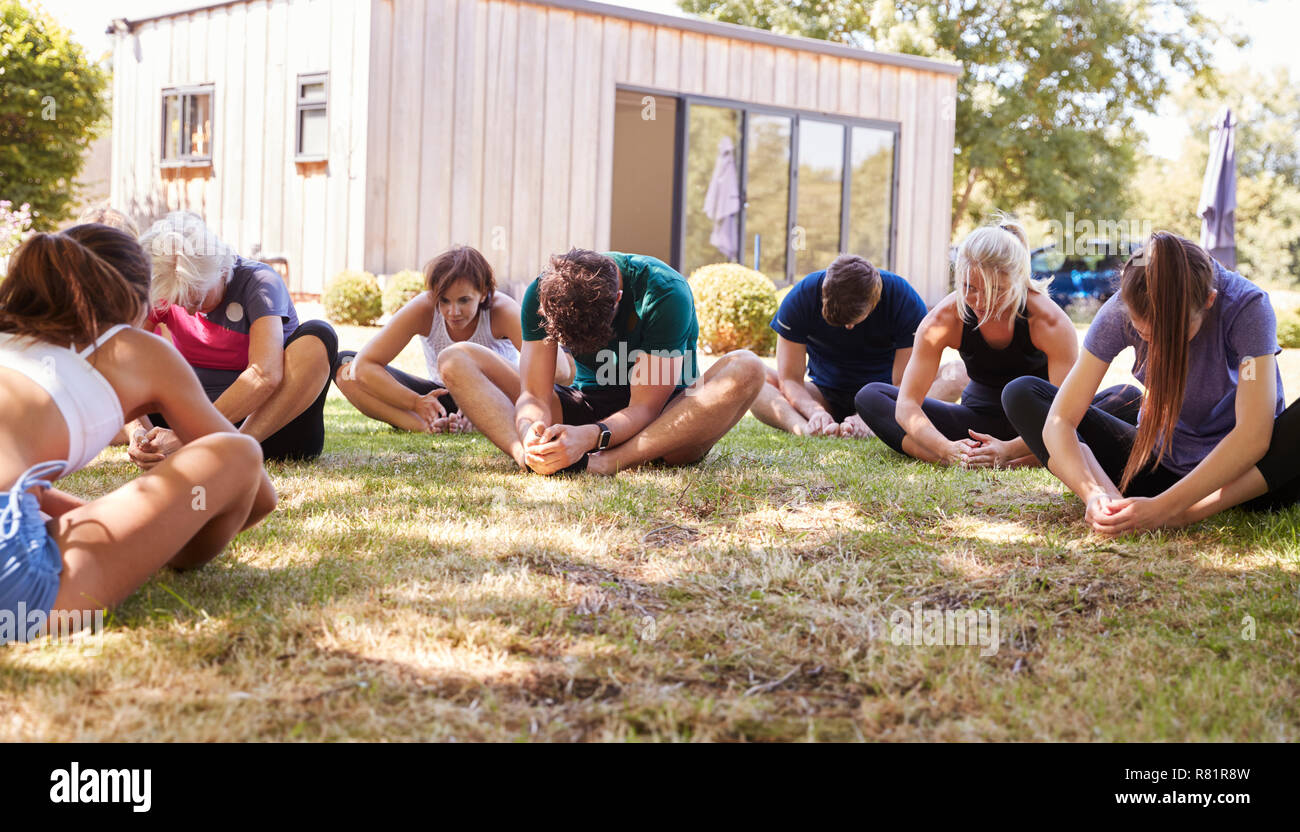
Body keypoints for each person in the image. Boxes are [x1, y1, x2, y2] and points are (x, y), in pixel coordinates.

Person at [0, 224, 275, 645]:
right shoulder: (137, 350)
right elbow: (258, 495)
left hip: (15, 514)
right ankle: (168, 555)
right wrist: (167, 524)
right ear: (136, 297)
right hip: (13, 582)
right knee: (238, 453)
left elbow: (20, 487)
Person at [1003, 232, 1299, 534]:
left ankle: (1180, 508)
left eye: (1173, 336)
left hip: (1247, 479)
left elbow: (1253, 436)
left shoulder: (1247, 306)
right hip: (1160, 468)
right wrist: (1097, 494)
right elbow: (1061, 419)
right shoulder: (1121, 309)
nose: (1159, 346)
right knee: (1022, 393)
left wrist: (1168, 511)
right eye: (1146, 334)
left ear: (1209, 300)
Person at [440, 249, 766, 475]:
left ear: (618, 302)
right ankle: (527, 459)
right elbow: (535, 395)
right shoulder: (542, 294)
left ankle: (606, 464)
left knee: (747, 367)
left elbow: (644, 408)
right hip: (587, 403)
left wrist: (592, 440)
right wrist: (529, 433)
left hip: (665, 424)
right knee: (455, 359)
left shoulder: (663, 293)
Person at [855, 218, 1140, 467]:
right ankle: (960, 459)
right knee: (871, 397)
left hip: (1040, 424)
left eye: (996, 291)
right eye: (969, 287)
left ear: (1018, 282)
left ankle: (1012, 460)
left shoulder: (1050, 322)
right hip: (976, 423)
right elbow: (907, 406)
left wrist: (1007, 450)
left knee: (1126, 396)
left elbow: (1066, 413)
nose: (979, 301)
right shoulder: (943, 319)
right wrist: (947, 449)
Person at [127, 212, 338, 464]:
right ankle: (207, 444)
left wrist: (192, 436)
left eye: (197, 299)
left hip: (268, 427)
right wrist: (137, 433)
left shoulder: (259, 282)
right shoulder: (169, 288)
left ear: (221, 270)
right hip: (189, 417)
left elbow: (264, 375)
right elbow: (123, 366)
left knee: (318, 336)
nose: (191, 311)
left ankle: (235, 450)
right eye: (179, 303)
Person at [333, 246, 573, 433]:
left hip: (502, 396)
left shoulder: (502, 310)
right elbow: (364, 365)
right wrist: (416, 402)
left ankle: (487, 422)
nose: (453, 311)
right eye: (444, 300)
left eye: (464, 300)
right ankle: (425, 427)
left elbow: (559, 371)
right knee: (346, 367)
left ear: (484, 293)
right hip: (440, 399)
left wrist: (486, 403)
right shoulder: (424, 308)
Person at [749, 254, 967, 438]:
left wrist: (873, 415)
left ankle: (884, 423)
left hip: (886, 395)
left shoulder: (903, 299)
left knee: (958, 372)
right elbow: (790, 379)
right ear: (823, 294)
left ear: (874, 300)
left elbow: (904, 383)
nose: (848, 327)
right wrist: (814, 411)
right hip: (824, 394)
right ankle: (806, 428)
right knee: (753, 376)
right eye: (839, 322)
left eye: (853, 320)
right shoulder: (801, 296)